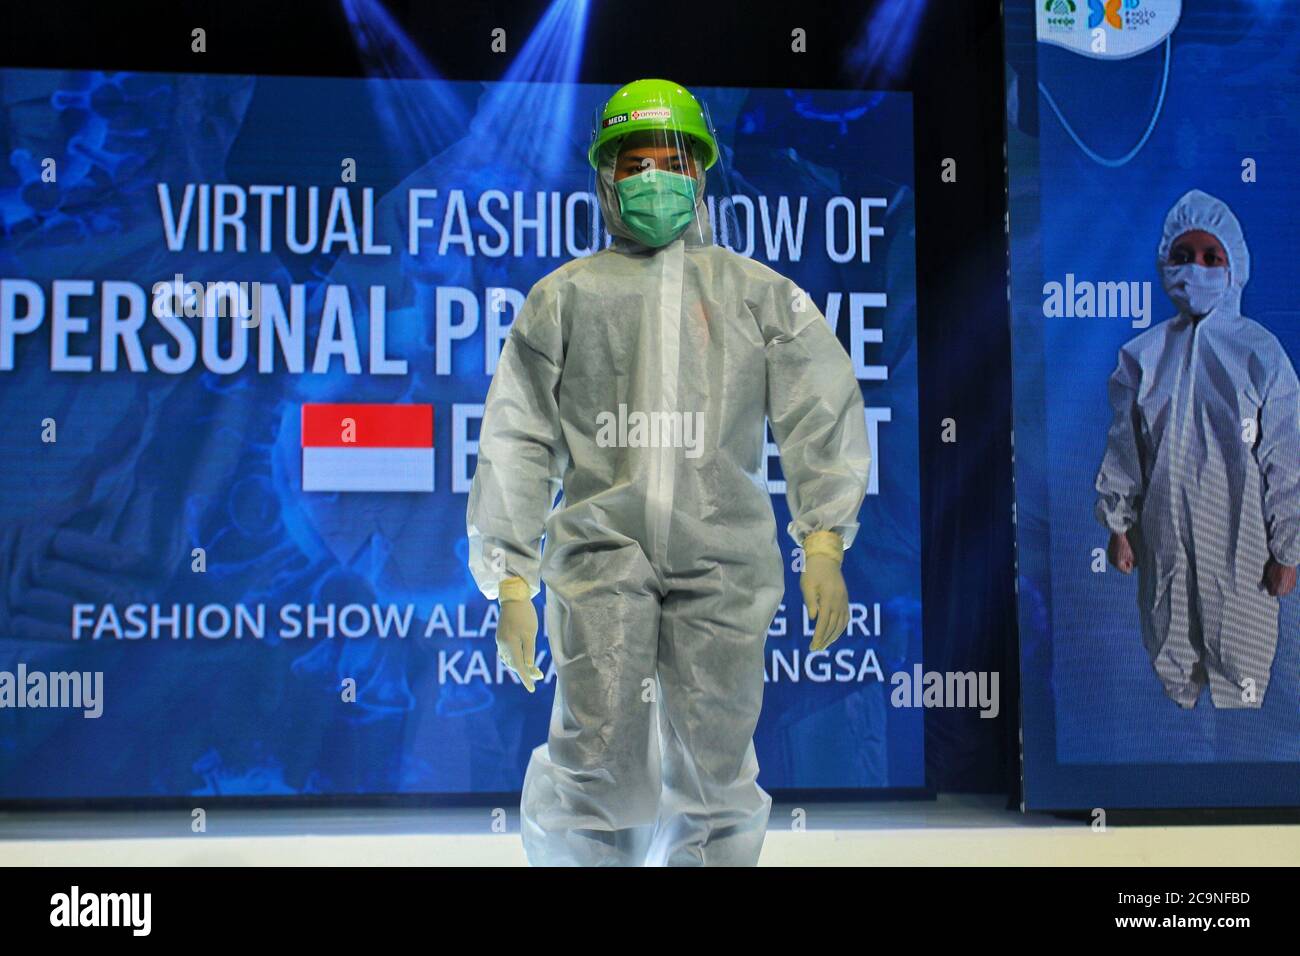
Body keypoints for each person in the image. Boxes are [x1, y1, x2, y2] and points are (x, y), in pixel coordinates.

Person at [466, 79, 871, 866]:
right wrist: (509, 579)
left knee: (715, 763)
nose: (654, 177)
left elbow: (819, 410)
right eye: (635, 162)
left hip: (721, 557)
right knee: (595, 753)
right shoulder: (564, 300)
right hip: (601, 559)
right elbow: (516, 438)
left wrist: (823, 543)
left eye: (671, 161)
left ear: (702, 173)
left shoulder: (758, 297)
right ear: (605, 177)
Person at [1096, 189, 1300, 709]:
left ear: (1235, 265)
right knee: (1172, 645)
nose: (1196, 269)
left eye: (1212, 257)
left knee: (1244, 658)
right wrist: (1120, 528)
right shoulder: (1143, 356)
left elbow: (1285, 458)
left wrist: (1288, 549)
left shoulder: (1260, 353)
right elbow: (1127, 452)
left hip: (1243, 539)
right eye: (1182, 256)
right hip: (1165, 533)